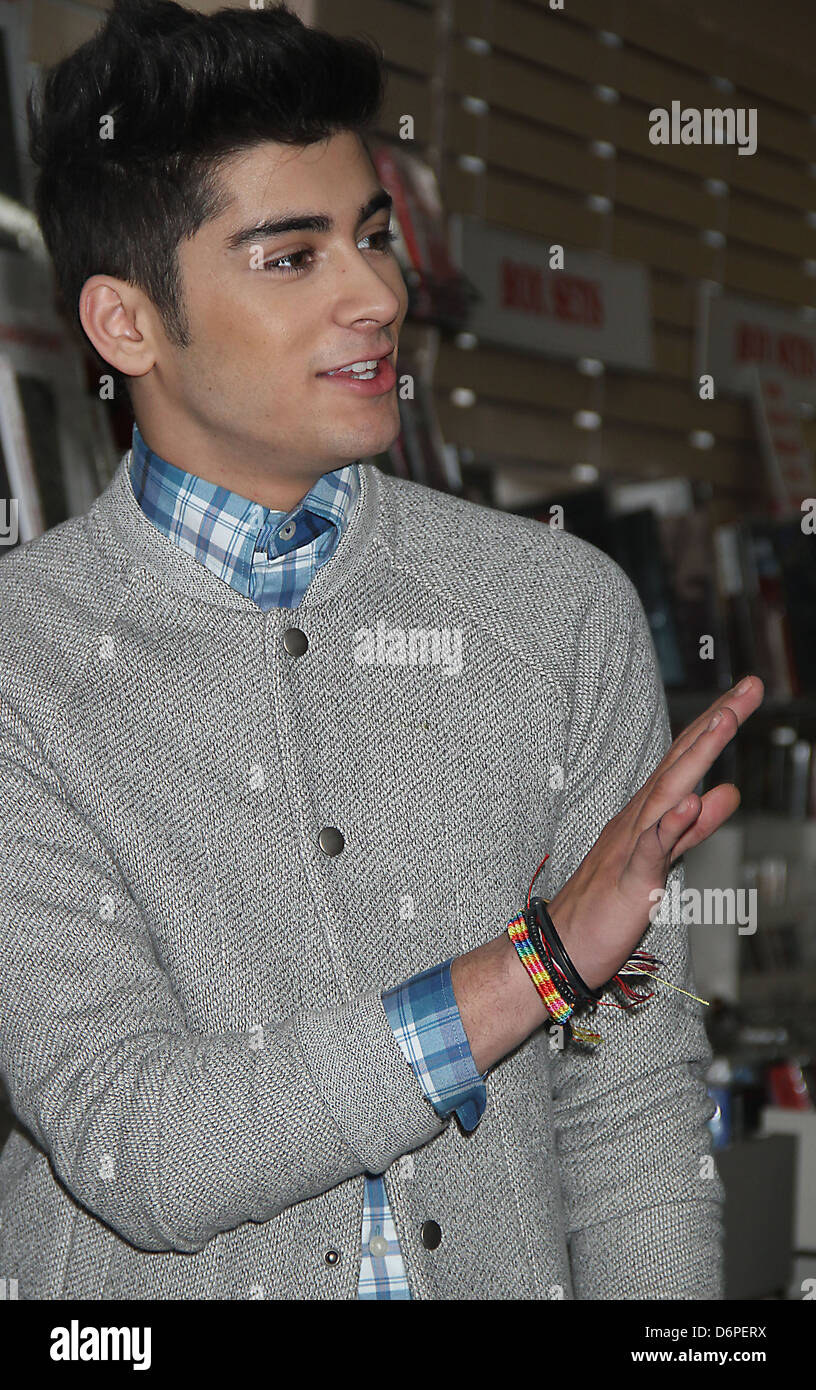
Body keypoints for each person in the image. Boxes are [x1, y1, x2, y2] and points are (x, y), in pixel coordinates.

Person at [0, 0, 762, 1300]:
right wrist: (534, 964)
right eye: (291, 258)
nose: (377, 293)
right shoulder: (24, 657)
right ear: (126, 326)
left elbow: (630, 1113)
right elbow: (143, 1140)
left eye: (370, 235)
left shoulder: (556, 611)